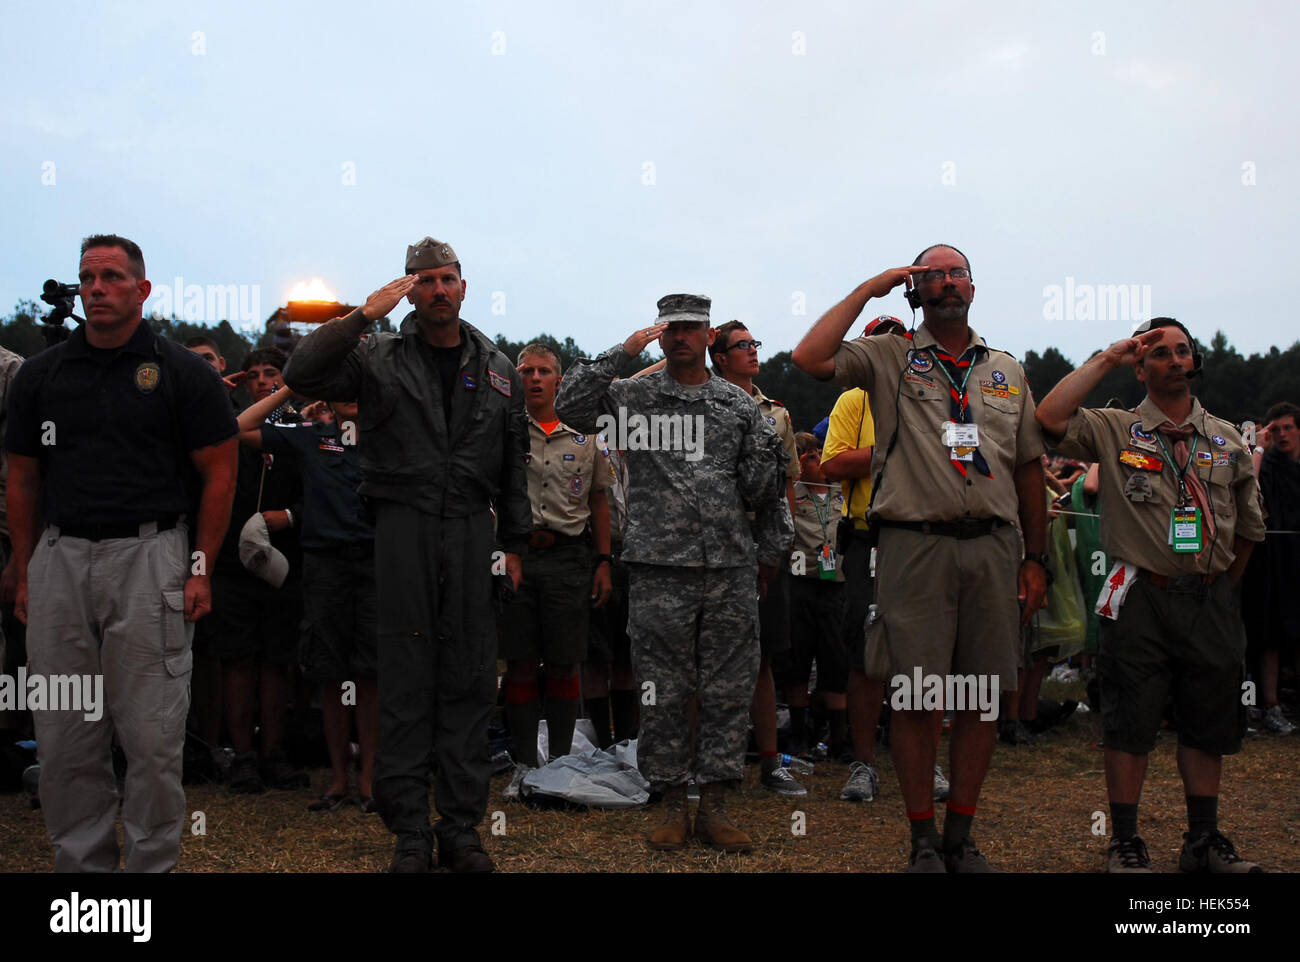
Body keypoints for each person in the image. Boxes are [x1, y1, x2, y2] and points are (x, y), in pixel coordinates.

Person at [792, 245, 1048, 872]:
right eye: (931, 274)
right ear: (915, 290)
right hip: (914, 544)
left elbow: (1029, 468)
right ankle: (922, 839)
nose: (947, 282)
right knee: (915, 696)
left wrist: (1035, 558)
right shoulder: (889, 357)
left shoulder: (1007, 371)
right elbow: (809, 357)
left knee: (981, 695)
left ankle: (962, 836)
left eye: (957, 271)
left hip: (993, 545)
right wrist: (870, 288)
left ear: (972, 286)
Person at [283, 237, 530, 874]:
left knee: (471, 677)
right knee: (404, 676)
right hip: (400, 525)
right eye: (423, 281)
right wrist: (362, 315)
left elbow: (513, 465)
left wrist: (516, 544)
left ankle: (463, 828)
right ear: (408, 291)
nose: (437, 290)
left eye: (447, 279)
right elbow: (301, 375)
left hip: (473, 528)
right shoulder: (378, 356)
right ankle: (410, 831)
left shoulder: (499, 366)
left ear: (464, 287)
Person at [5, 234, 238, 871]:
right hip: (59, 559)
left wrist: (201, 568)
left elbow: (220, 471)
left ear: (143, 288)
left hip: (151, 556)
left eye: (112, 277)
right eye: (87, 278)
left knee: (153, 739)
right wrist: (24, 570)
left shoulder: (181, 372)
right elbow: (22, 475)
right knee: (63, 739)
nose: (97, 288)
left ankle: (147, 880)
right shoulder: (42, 374)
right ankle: (83, 882)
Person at [555, 294, 793, 853]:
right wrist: (622, 351)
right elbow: (570, 406)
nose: (682, 336)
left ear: (710, 336)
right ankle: (668, 804)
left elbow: (768, 491)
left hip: (729, 568)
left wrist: (772, 553)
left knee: (727, 690)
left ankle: (715, 805)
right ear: (661, 336)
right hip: (661, 570)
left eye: (692, 327)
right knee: (661, 690)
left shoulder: (738, 406)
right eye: (672, 328)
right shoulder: (633, 397)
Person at [1035, 317, 1267, 873]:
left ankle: (1204, 843)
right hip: (1140, 596)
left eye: (1182, 350)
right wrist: (1106, 358)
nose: (1174, 360)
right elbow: (1047, 417)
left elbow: (1250, 532)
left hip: (1209, 598)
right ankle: (1126, 842)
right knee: (1129, 720)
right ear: (1140, 368)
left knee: (1208, 718)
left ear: (1195, 361)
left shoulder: (1226, 437)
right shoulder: (1115, 429)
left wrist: (1216, 586)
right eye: (1158, 353)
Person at [235, 384, 380, 811]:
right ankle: (338, 780)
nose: (353, 392)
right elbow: (240, 427)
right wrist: (292, 388)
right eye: (343, 382)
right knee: (331, 673)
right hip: (325, 567)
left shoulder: (391, 438)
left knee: (372, 676)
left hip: (376, 565)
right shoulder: (311, 435)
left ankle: (369, 779)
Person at [500, 343, 613, 781]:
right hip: (518, 555)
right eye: (525, 371)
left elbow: (599, 502)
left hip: (569, 556)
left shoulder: (585, 441)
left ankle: (562, 764)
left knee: (566, 661)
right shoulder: (506, 432)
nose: (533, 378)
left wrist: (603, 561)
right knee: (521, 661)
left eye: (543, 371)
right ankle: (525, 763)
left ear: (558, 380)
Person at [205, 346, 308, 794]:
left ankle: (275, 755)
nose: (265, 381)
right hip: (231, 562)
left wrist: (291, 516)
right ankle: (243, 756)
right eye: (258, 375)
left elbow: (325, 491)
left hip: (284, 562)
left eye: (275, 374)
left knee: (276, 662)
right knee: (238, 661)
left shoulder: (305, 429)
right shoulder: (233, 429)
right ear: (247, 383)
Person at [708, 320, 805, 797]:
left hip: (760, 550)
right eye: (740, 346)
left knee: (762, 658)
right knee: (706, 660)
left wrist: (779, 548)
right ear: (719, 357)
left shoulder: (777, 416)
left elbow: (787, 489)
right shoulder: (699, 406)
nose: (751, 351)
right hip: (710, 548)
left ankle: (770, 763)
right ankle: (707, 764)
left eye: (754, 344)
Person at [1242, 401, 1300, 735]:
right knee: (1269, 634)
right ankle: (1268, 703)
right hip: (1271, 558)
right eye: (1275, 429)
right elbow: (1250, 484)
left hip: (1296, 556)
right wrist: (1259, 447)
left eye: (1288, 427)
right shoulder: (1270, 463)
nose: (1281, 434)